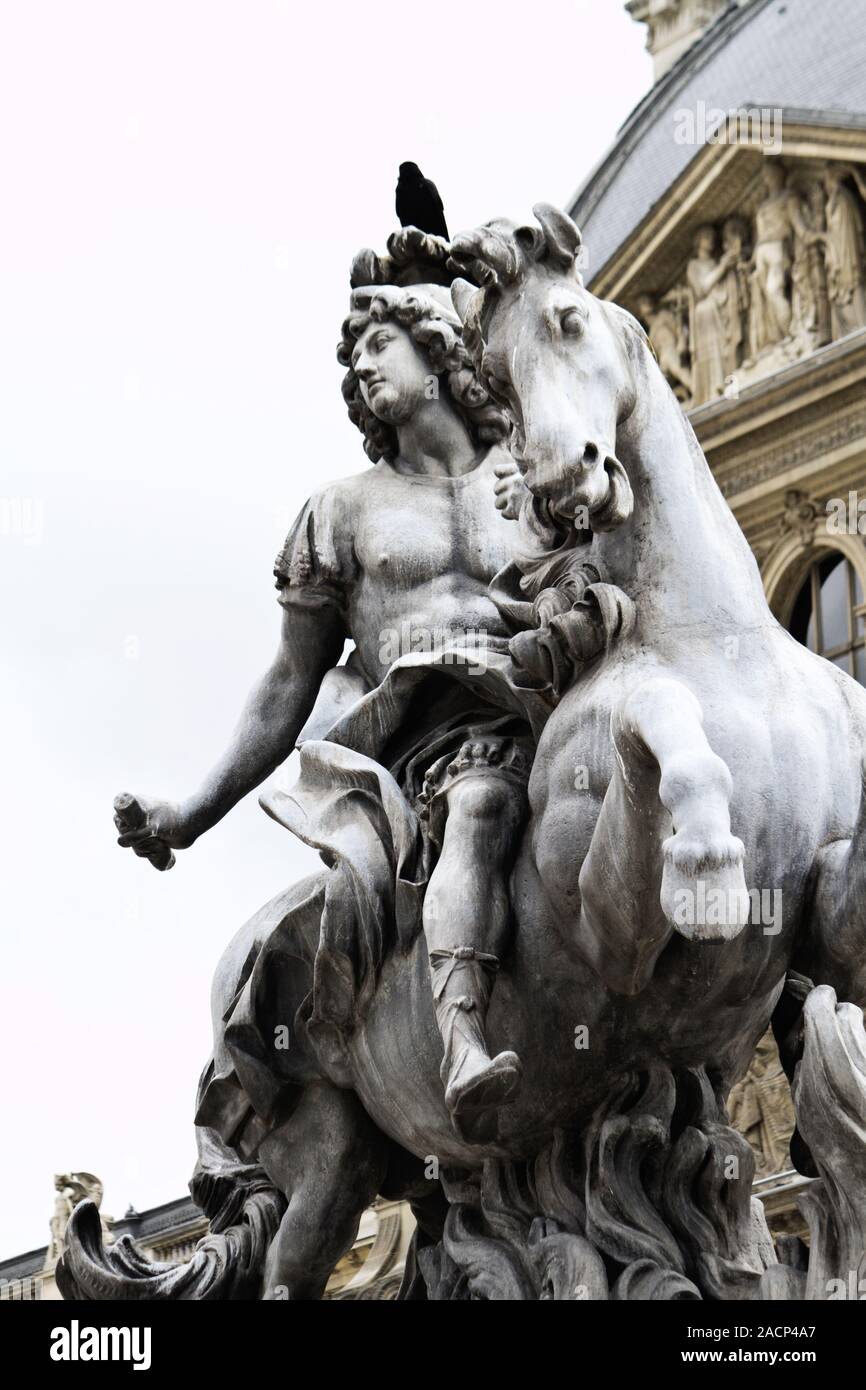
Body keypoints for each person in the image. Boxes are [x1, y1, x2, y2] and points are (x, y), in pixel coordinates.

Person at [116, 254, 537, 1137]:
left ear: (438, 350)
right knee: (482, 804)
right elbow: (286, 683)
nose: (362, 367)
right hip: (435, 738)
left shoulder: (533, 474)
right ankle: (460, 1036)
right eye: (354, 360)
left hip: (549, 698)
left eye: (380, 344)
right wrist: (190, 812)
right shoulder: (342, 512)